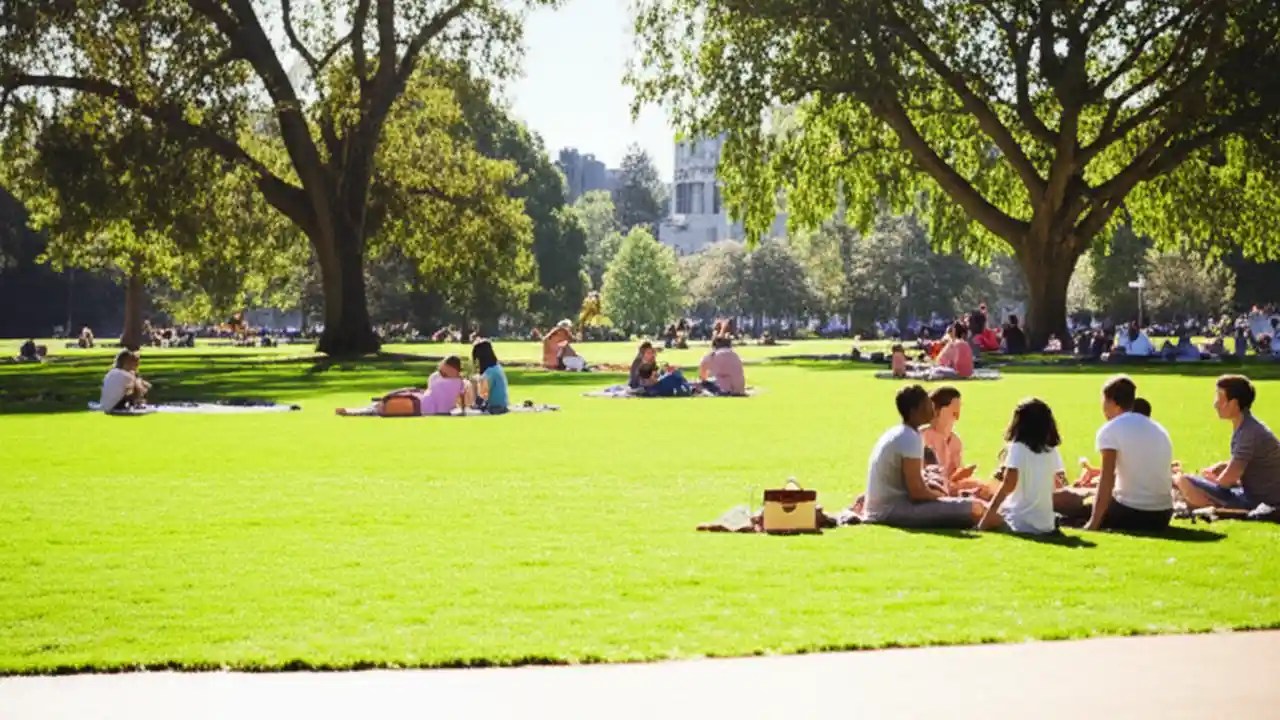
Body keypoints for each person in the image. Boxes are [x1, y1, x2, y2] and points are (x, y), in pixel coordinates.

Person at [862, 385, 983, 529]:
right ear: (915, 411)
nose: (932, 407)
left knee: (971, 505)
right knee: (975, 508)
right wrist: (943, 498)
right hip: (892, 511)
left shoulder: (902, 433)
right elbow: (917, 492)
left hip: (887, 509)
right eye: (927, 403)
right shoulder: (909, 437)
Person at [1175, 375, 1280, 513]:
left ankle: (1212, 509)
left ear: (1234, 403)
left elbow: (1228, 479)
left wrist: (1211, 480)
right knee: (1190, 483)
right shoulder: (1249, 427)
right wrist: (1222, 467)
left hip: (1257, 501)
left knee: (1183, 480)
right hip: (1260, 495)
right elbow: (1249, 462)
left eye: (1220, 398)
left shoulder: (1248, 432)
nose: (1215, 404)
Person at [1085, 376, 1174, 532]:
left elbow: (1107, 479)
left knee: (1073, 499)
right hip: (1163, 514)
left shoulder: (1110, 430)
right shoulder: (1158, 428)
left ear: (1112, 402)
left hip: (1131, 512)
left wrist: (1093, 523)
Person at [979, 399, 1065, 534]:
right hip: (1046, 524)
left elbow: (1008, 484)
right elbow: (1059, 483)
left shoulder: (1017, 448)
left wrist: (987, 517)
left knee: (979, 508)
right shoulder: (1052, 450)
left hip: (1019, 521)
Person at [920, 387, 977, 492]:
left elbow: (953, 478)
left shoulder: (955, 441)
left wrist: (961, 474)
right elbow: (923, 480)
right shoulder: (921, 438)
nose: (957, 417)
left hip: (948, 490)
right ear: (937, 410)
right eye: (953, 412)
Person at [470, 340, 510, 415]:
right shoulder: (497, 368)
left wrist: (474, 385)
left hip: (495, 408)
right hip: (502, 405)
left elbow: (481, 397)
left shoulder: (489, 372)